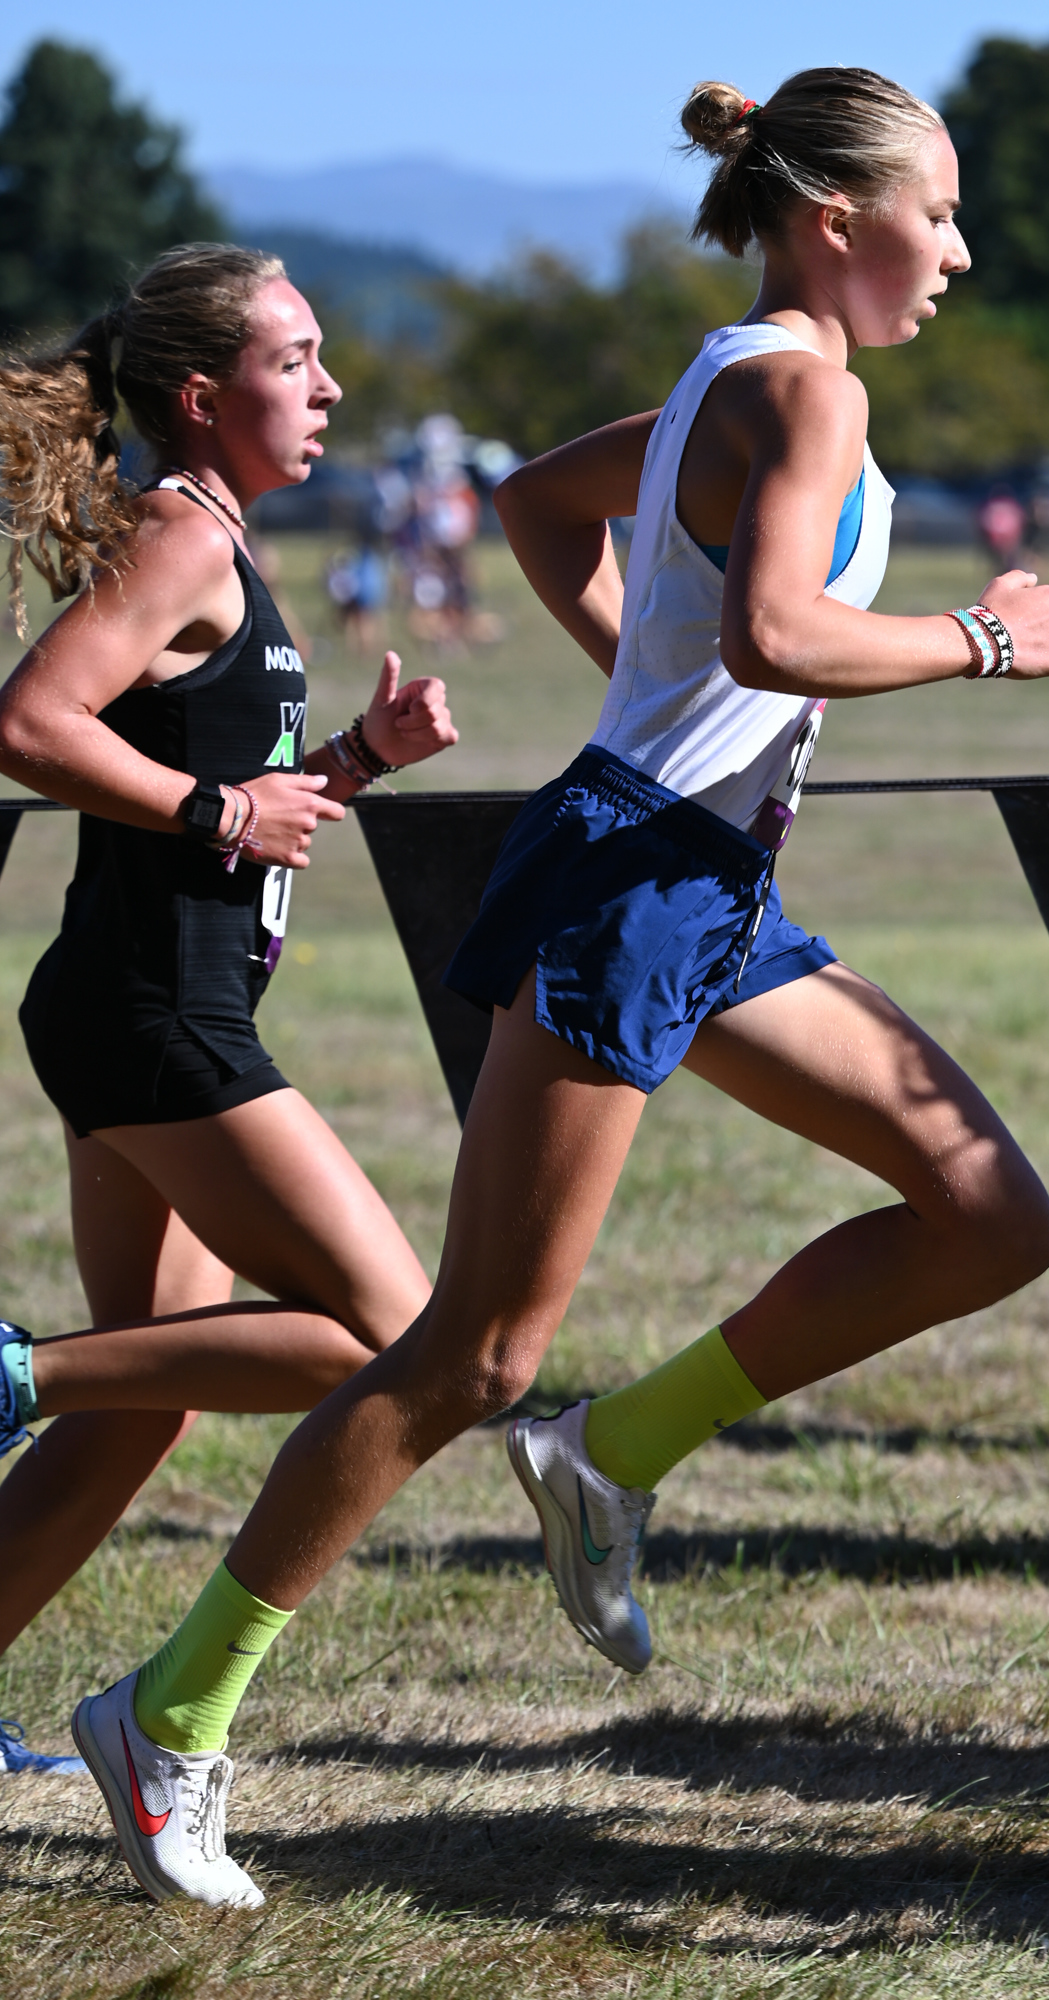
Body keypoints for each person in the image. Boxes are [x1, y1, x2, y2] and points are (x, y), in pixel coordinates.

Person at [71, 70, 1049, 1909]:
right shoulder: (800, 384)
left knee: (984, 1211)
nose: (956, 249)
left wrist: (657, 695)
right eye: (934, 215)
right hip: (631, 887)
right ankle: (174, 1713)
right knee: (468, 1346)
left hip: (698, 878)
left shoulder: (738, 373)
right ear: (836, 217)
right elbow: (780, 628)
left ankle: (611, 1456)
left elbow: (551, 516)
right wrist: (980, 637)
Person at [0, 244, 456, 1785]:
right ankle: (12, 1377)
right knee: (397, 1339)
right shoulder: (180, 543)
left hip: (134, 1009)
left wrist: (354, 763)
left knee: (154, 1400)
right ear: (204, 397)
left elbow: (232, 803)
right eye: (296, 362)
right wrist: (213, 810)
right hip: (155, 1021)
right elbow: (29, 724)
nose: (328, 389)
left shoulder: (219, 543)